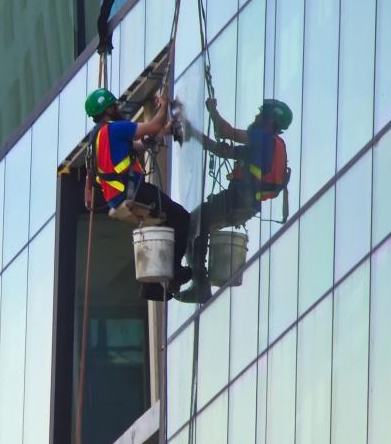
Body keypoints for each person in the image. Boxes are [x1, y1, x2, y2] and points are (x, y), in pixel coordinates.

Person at [83, 86, 192, 298]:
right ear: (107, 109)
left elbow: (139, 145)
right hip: (133, 191)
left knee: (165, 220)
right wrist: (164, 105)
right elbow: (154, 125)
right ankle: (175, 272)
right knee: (181, 217)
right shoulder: (116, 128)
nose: (117, 108)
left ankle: (151, 286)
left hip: (116, 197)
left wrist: (166, 131)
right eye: (113, 105)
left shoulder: (96, 139)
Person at [181, 96, 292, 301]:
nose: (257, 116)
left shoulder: (262, 138)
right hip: (246, 205)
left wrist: (212, 110)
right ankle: (198, 282)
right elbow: (220, 149)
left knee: (193, 223)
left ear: (270, 121)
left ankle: (199, 284)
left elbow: (226, 133)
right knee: (198, 224)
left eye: (261, 114)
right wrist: (193, 132)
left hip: (238, 200)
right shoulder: (269, 145)